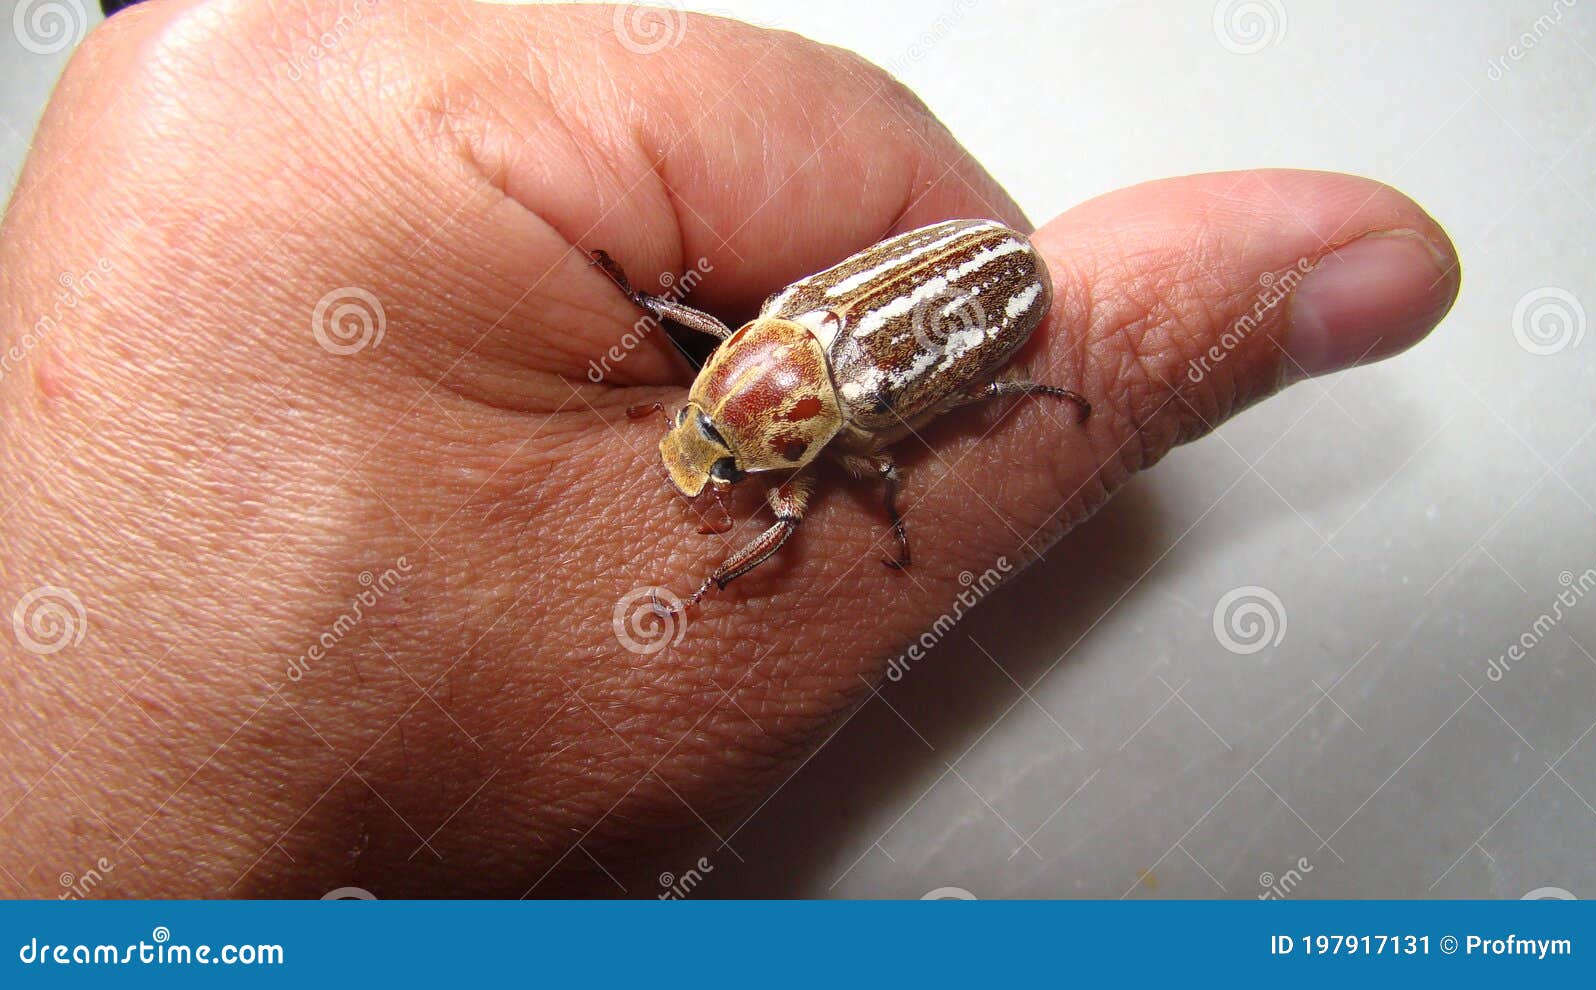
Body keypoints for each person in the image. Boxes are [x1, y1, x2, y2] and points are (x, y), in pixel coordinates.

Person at [0, 0, 1458, 897]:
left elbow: (857, 477)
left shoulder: (829, 418)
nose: (702, 434)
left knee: (948, 434)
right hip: (875, 313)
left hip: (950, 309)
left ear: (752, 359)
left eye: (710, 416)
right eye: (710, 416)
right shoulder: (763, 348)